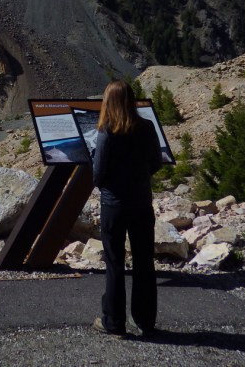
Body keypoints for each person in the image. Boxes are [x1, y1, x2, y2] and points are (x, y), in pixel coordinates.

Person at [91, 79, 162, 337]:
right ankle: (145, 321)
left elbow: (98, 173)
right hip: (141, 203)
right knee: (144, 261)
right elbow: (156, 162)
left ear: (109, 102)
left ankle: (114, 323)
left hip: (114, 205)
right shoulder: (147, 127)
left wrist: (109, 187)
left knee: (114, 263)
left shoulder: (106, 131)